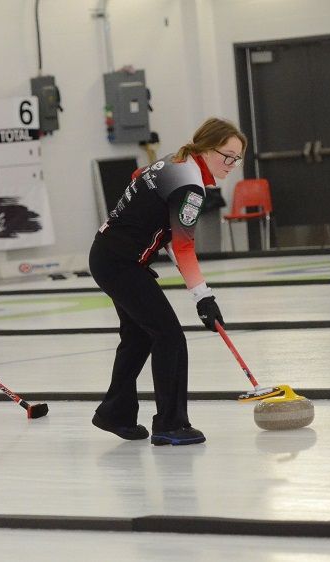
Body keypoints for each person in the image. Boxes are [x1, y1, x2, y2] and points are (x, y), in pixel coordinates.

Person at [89, 117, 247, 445]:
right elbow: (183, 245)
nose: (232, 164)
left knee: (139, 337)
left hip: (110, 256)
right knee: (169, 337)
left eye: (238, 158)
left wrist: (199, 294)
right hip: (121, 262)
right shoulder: (190, 185)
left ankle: (114, 412)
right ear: (206, 147)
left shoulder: (176, 160)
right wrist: (203, 296)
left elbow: (169, 231)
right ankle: (170, 424)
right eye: (227, 155)